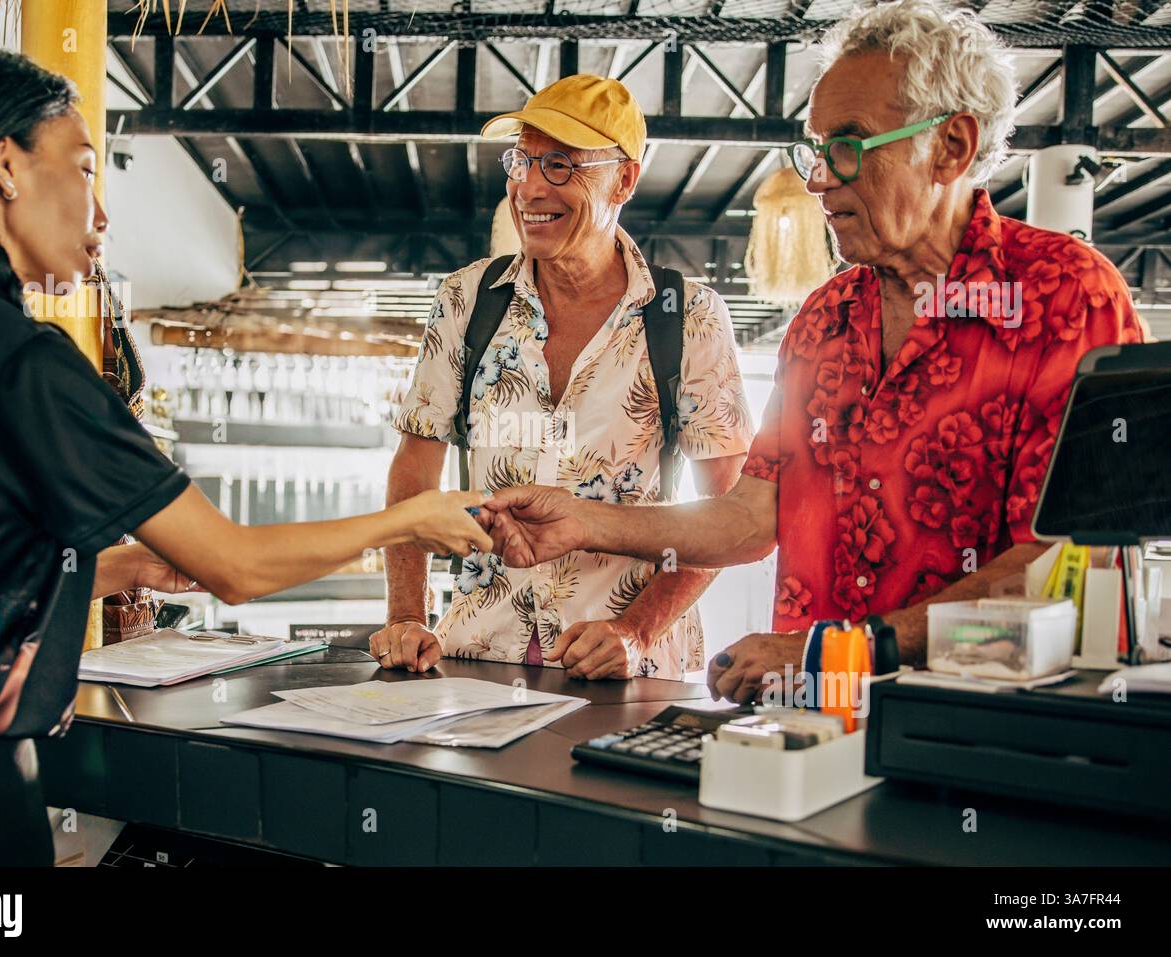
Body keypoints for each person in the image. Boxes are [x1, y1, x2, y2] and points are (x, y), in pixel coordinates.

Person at [0, 44, 491, 866]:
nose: (101, 213)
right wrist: (410, 517)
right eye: (86, 168)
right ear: (5, 165)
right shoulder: (27, 362)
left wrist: (128, 569)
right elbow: (235, 564)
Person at [482, 0, 1146, 703]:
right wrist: (585, 520)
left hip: (972, 740)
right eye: (816, 148)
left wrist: (837, 651)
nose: (819, 178)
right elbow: (751, 515)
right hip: (806, 726)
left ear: (951, 146)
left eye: (849, 146)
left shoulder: (1063, 295)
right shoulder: (823, 320)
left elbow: (1067, 556)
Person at [369, 74, 752, 680]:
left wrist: (637, 630)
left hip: (628, 668)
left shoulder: (690, 318)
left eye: (559, 164)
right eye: (521, 159)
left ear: (624, 178)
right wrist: (406, 614)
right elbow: (415, 473)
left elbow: (730, 513)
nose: (526, 186)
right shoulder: (468, 300)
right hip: (480, 656)